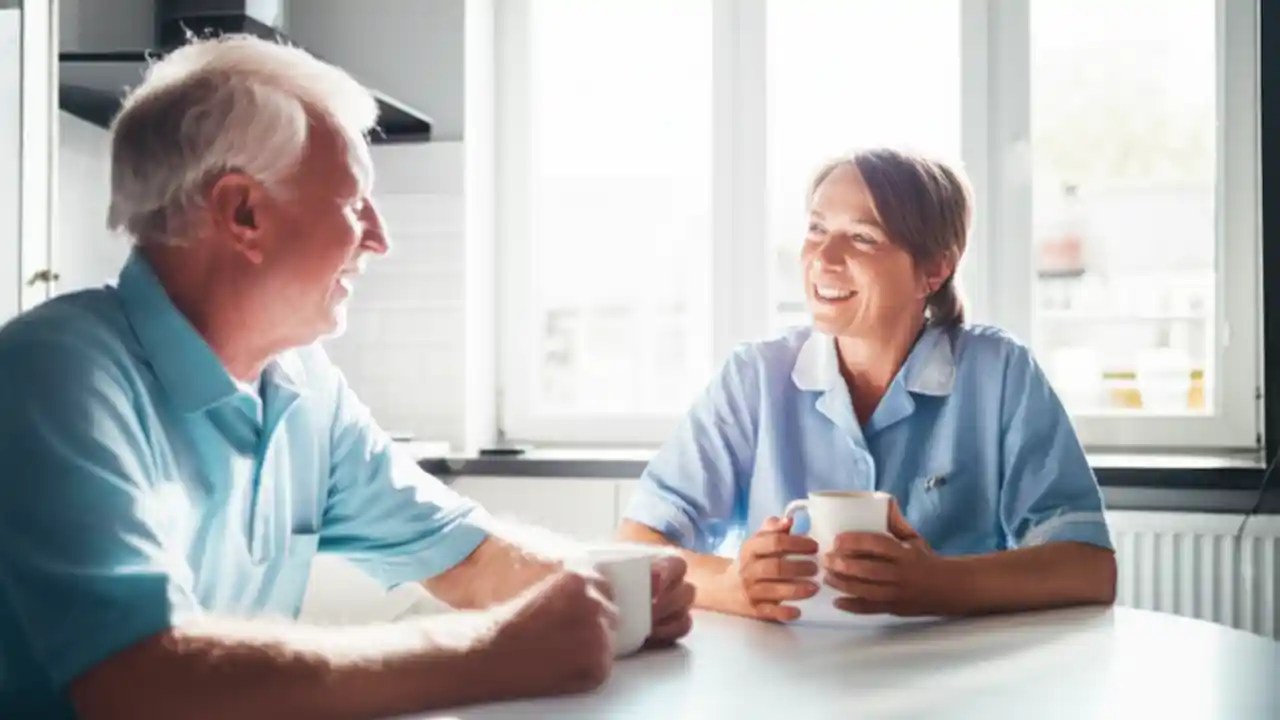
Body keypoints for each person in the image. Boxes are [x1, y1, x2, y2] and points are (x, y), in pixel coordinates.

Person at [0, 36, 693, 719]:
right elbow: (141, 680)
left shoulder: (302, 387)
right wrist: (493, 650)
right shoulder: (56, 376)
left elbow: (468, 558)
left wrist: (608, 595)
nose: (379, 237)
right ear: (243, 213)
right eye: (355, 201)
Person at [619, 148, 1115, 622]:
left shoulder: (1000, 374)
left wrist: (938, 584)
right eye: (816, 229)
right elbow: (638, 543)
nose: (823, 258)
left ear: (935, 269)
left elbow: (1088, 567)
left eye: (861, 237)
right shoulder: (754, 377)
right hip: (785, 679)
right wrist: (732, 586)